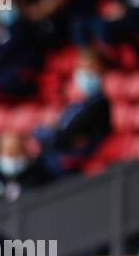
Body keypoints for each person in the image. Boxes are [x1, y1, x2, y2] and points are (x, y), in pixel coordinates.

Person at [35, 48, 111, 179]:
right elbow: (39, 132)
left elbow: (65, 136)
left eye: (90, 68)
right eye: (81, 68)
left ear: (102, 71)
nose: (85, 74)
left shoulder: (100, 106)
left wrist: (55, 132)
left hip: (77, 170)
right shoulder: (74, 106)